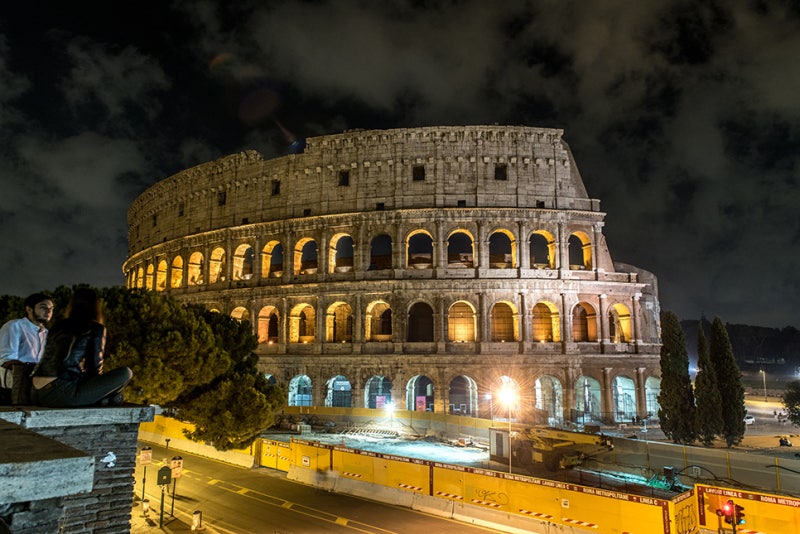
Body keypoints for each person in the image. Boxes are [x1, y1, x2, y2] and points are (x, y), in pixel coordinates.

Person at [30, 288, 132, 407]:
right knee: (126, 373)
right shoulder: (95, 328)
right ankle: (105, 399)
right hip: (60, 393)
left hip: (35, 392)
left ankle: (105, 399)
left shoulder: (58, 325)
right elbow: (95, 368)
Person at [0, 293, 54, 405]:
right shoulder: (14, 326)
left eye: (51, 308)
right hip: (13, 389)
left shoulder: (48, 335)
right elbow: (6, 360)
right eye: (43, 307)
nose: (48, 312)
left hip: (36, 389)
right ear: (29, 309)